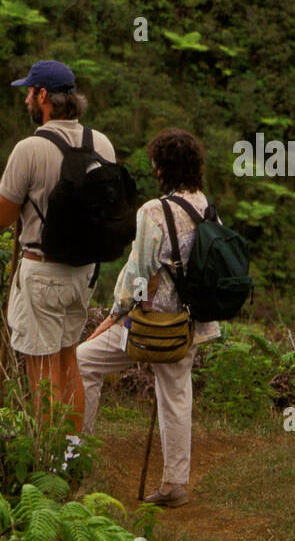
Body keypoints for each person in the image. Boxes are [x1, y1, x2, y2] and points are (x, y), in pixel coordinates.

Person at [76, 128, 220, 506]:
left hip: (152, 324)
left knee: (84, 362)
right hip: (190, 323)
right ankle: (175, 483)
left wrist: (115, 315)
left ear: (163, 168)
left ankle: (75, 462)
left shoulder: (154, 211)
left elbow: (139, 273)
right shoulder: (205, 206)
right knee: (175, 393)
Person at [0, 60, 116, 442]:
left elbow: (0, 214)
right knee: (68, 361)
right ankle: (71, 452)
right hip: (84, 272)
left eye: (29, 92)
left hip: (43, 271)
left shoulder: (30, 148)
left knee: (43, 374)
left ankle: (49, 462)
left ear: (43, 97)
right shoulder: (101, 143)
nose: (26, 99)